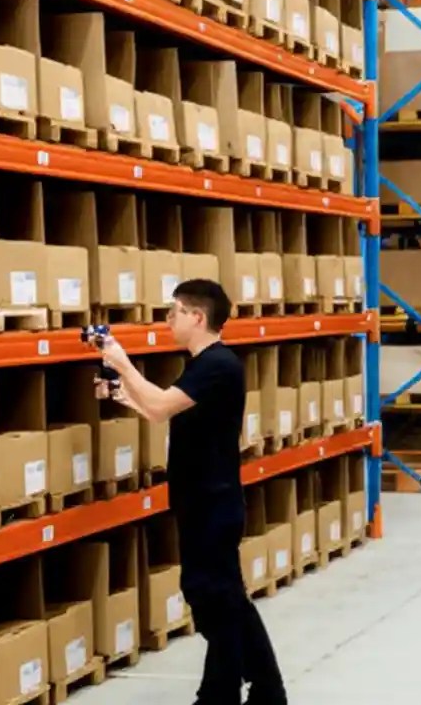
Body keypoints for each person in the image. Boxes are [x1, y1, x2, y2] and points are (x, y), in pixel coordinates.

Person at [94, 278, 287, 705]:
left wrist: (123, 363)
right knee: (223, 598)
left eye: (174, 312)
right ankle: (267, 690)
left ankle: (220, 695)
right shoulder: (203, 365)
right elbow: (162, 411)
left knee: (215, 599)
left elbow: (161, 405)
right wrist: (121, 393)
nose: (167, 320)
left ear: (197, 317)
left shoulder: (218, 364)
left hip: (212, 502)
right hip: (201, 500)